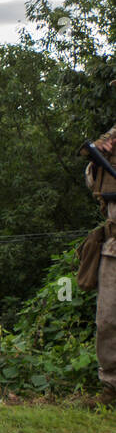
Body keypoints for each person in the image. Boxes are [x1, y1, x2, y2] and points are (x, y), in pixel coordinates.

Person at [85, 112, 116, 409]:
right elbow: (93, 183)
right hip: (114, 242)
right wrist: (96, 160)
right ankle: (111, 388)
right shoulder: (111, 137)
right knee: (107, 318)